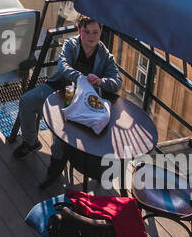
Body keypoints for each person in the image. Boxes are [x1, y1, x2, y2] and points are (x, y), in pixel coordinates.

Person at [9, 16, 122, 191]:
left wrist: (100, 81)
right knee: (26, 101)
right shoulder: (71, 45)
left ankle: (57, 159)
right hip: (61, 88)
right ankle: (30, 142)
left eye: (95, 32)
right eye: (86, 31)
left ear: (101, 32)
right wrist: (81, 78)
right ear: (79, 31)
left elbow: (117, 82)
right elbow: (63, 67)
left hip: (84, 99)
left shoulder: (105, 55)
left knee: (63, 125)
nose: (91, 36)